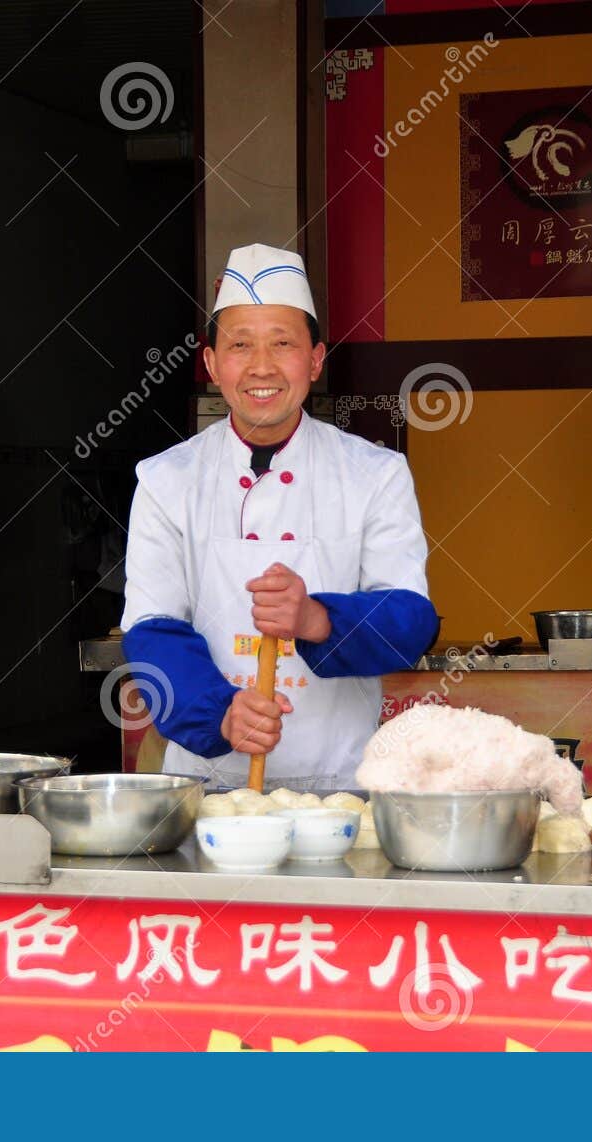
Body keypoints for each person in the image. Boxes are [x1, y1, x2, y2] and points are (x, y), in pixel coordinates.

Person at [121, 243, 439, 788]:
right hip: (208, 784)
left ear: (315, 359)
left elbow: (410, 622)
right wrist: (220, 714)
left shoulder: (375, 473)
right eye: (240, 345)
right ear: (212, 363)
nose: (261, 366)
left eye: (283, 343)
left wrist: (317, 619)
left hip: (339, 786)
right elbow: (154, 632)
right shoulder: (165, 480)